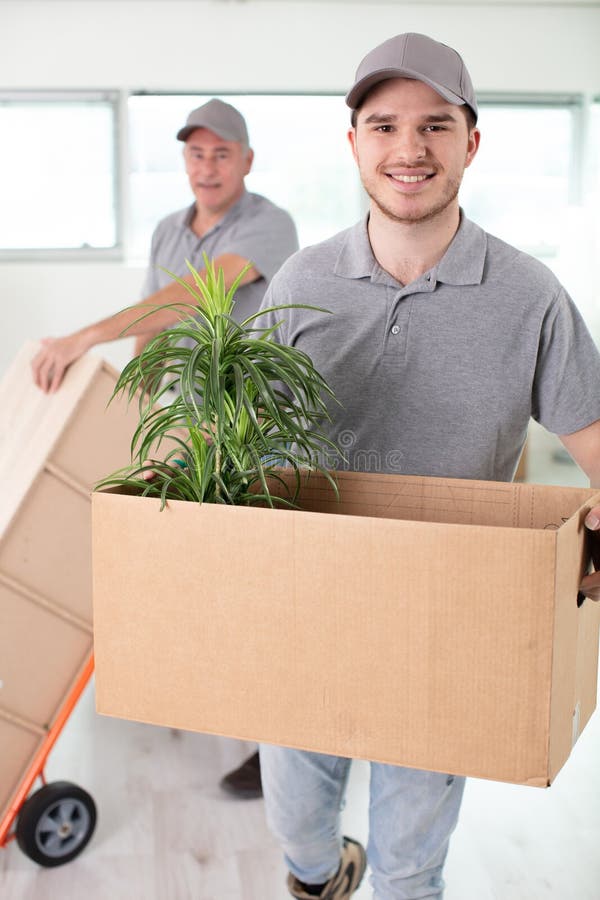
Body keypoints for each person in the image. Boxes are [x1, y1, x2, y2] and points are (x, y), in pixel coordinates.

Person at [256, 32, 600, 899]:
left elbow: (593, 441)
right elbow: (240, 430)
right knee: (296, 825)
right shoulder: (301, 280)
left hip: (450, 612)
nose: (409, 150)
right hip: (310, 597)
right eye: (384, 126)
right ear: (354, 144)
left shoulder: (529, 296)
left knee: (411, 863)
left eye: (435, 126)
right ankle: (321, 874)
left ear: (471, 143)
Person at [31, 97, 299, 800]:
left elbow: (191, 297)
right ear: (184, 160)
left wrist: (85, 335)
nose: (207, 168)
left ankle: (286, 753)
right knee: (197, 567)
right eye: (195, 153)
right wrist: (132, 410)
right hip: (193, 426)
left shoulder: (269, 224)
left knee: (266, 585)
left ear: (246, 160)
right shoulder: (164, 229)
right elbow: (155, 324)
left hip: (254, 426)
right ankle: (210, 697)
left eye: (221, 153)